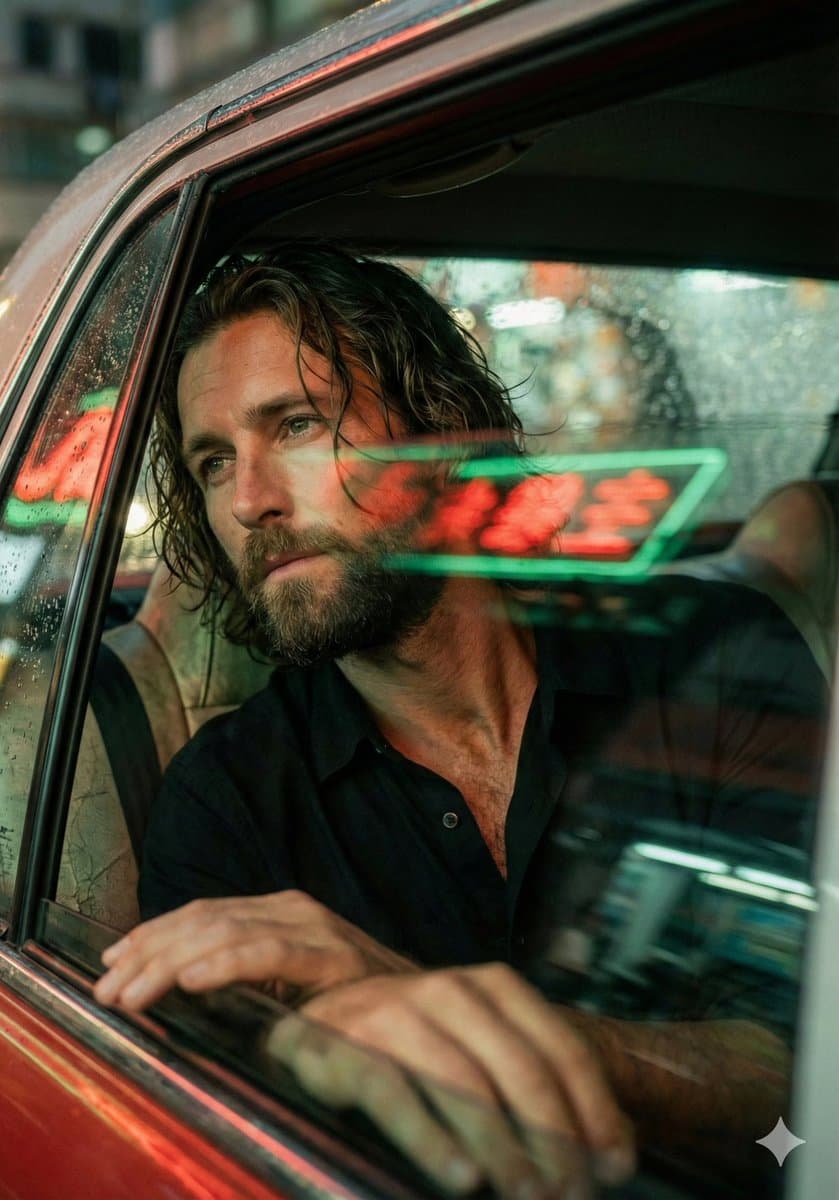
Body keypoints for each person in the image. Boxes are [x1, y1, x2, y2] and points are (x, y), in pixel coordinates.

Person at [94, 244, 828, 1193]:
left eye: (300, 424)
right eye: (212, 461)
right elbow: (218, 1130)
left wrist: (407, 1000)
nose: (249, 501)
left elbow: (803, 1064)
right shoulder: (224, 804)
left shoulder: (709, 661)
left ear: (440, 434)